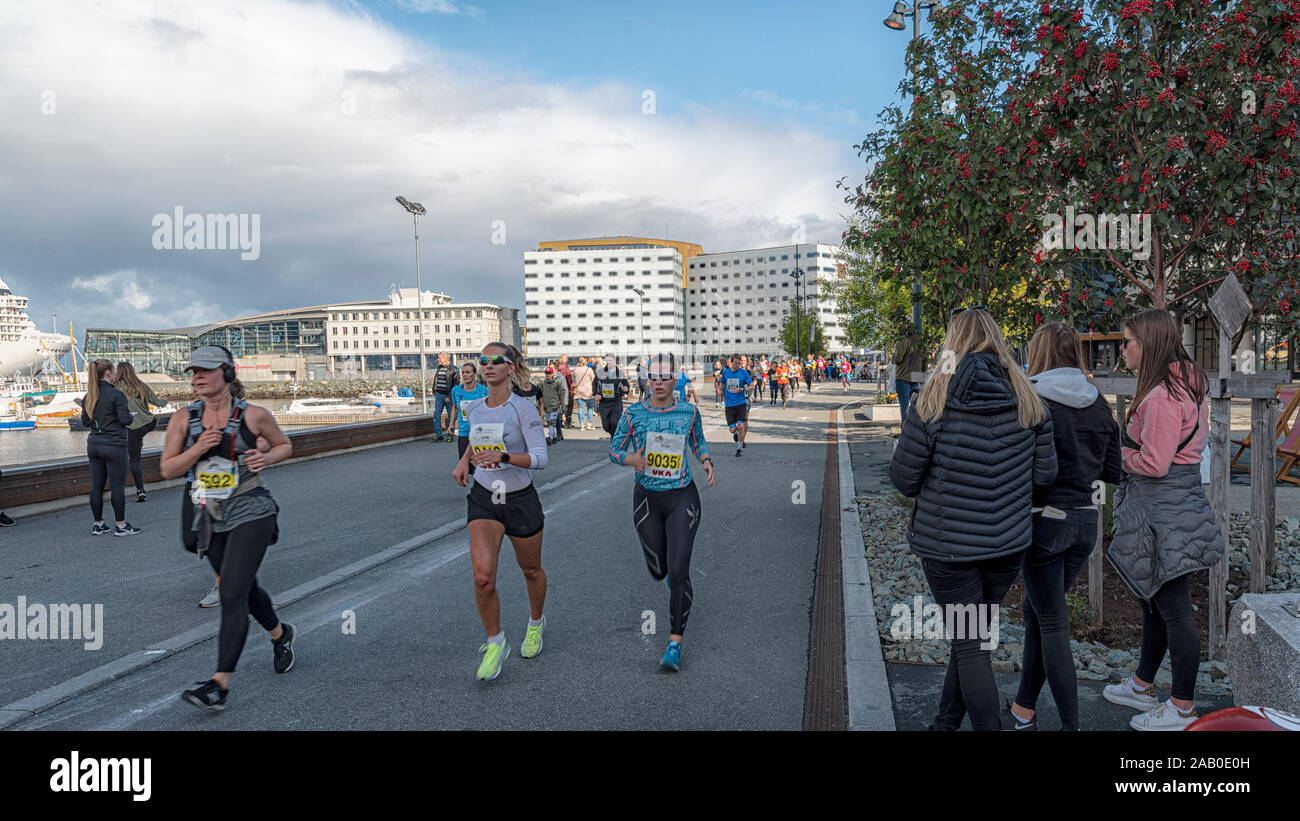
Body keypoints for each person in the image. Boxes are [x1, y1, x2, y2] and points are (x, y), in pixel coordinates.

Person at [888, 307, 1056, 731]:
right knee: (973, 637)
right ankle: (945, 723)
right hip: (1007, 545)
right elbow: (1045, 476)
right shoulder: (1028, 398)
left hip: (950, 547)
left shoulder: (933, 399)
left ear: (952, 343)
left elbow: (904, 481)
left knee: (969, 643)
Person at [1103, 309, 1221, 731]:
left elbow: (1153, 463)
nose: (1123, 348)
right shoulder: (1182, 385)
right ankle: (1141, 684)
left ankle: (1183, 707)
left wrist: (1115, 456)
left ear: (1147, 346)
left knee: (1172, 605)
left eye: (1128, 341)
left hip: (1163, 510)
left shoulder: (1161, 397)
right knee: (1154, 598)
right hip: (1175, 506)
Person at [162, 346, 295, 711]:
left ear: (227, 372)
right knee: (243, 586)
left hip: (252, 506)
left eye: (205, 371)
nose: (197, 378)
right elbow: (168, 469)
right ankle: (281, 634)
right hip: (208, 513)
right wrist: (197, 450)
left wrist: (265, 457)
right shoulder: (182, 420)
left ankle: (219, 684)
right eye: (193, 372)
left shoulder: (254, 415)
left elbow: (285, 445)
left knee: (232, 593)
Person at [1008, 323, 1122, 731]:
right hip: (1085, 524)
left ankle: (1071, 725)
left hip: (1043, 523)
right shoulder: (1099, 403)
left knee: (1051, 621)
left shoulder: (1032, 399)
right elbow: (1113, 471)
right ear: (1077, 354)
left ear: (1038, 353)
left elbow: (1021, 469)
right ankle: (1023, 709)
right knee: (1038, 611)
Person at [609, 352, 715, 670]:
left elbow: (698, 442)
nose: (657, 383)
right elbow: (614, 451)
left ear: (676, 378)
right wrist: (632, 460)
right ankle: (669, 574)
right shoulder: (633, 414)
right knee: (660, 571)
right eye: (652, 377)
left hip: (682, 496)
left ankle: (674, 643)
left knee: (679, 569)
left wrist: (706, 461)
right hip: (647, 499)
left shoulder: (688, 411)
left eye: (664, 377)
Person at [452, 342, 549, 681]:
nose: (489, 366)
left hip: (519, 499)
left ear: (511, 367)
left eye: (497, 361)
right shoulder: (474, 407)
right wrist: (464, 462)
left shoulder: (522, 409)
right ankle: (495, 642)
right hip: (484, 497)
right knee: (482, 576)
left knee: (531, 570)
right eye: (484, 361)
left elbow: (541, 457)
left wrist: (505, 457)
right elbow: (477, 443)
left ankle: (536, 622)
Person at [80, 360, 141, 536]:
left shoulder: (88, 396)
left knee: (97, 486)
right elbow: (124, 420)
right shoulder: (116, 395)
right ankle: (120, 525)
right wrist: (129, 416)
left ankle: (98, 524)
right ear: (107, 373)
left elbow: (85, 422)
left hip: (94, 445)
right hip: (114, 445)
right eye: (113, 371)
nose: (115, 374)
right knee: (116, 485)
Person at [114, 361, 165, 503]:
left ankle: (140, 489)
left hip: (132, 427)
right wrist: (165, 401)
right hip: (149, 423)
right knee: (134, 443)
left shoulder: (115, 388)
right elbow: (158, 403)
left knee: (134, 459)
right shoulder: (142, 386)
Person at [451, 361, 489, 475]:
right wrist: (451, 424)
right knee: (466, 464)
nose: (465, 375)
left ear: (475, 374)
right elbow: (454, 408)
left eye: (468, 372)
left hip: (480, 431)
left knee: (481, 464)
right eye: (463, 372)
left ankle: (481, 487)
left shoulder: (483, 391)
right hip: (464, 431)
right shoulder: (456, 391)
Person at [720, 354, 753, 457]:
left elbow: (752, 385)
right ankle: (736, 433)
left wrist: (744, 389)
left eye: (739, 363)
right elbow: (722, 384)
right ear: (731, 362)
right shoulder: (726, 372)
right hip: (729, 405)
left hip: (740, 404)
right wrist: (719, 390)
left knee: (741, 425)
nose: (738, 365)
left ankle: (739, 448)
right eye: (736, 363)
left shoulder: (743, 373)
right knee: (732, 429)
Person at [592, 354, 630, 437]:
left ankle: (614, 438)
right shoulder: (600, 372)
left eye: (611, 360)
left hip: (616, 402)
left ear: (614, 361)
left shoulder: (619, 373)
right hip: (604, 403)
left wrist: (626, 388)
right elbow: (594, 384)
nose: (609, 362)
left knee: (614, 423)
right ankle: (613, 435)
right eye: (607, 360)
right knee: (606, 426)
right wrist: (596, 394)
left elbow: (625, 384)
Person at [893, 321, 924, 421]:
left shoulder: (904, 341)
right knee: (916, 406)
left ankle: (905, 430)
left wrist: (893, 358)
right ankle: (916, 430)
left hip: (903, 376)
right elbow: (925, 360)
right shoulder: (921, 342)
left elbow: (898, 359)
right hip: (917, 376)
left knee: (905, 405)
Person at [431, 351, 458, 443]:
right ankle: (438, 435)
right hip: (439, 395)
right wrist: (434, 391)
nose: (438, 359)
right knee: (436, 415)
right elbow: (436, 380)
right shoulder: (439, 368)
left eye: (440, 358)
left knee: (451, 416)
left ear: (446, 358)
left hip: (448, 396)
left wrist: (450, 396)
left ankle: (450, 434)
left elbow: (456, 384)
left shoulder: (454, 370)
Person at [541, 366, 565, 445]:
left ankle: (550, 437)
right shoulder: (542, 384)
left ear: (552, 373)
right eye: (546, 373)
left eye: (549, 373)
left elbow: (561, 395)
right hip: (546, 407)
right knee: (549, 423)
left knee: (552, 423)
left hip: (554, 407)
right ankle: (554, 437)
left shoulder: (557, 383)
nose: (547, 375)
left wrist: (563, 409)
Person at [573, 356, 596, 430]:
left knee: (581, 408)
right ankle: (589, 424)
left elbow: (573, 382)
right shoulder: (589, 370)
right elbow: (593, 380)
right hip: (588, 391)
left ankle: (582, 425)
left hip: (579, 391)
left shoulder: (575, 370)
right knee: (590, 408)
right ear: (585, 362)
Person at [558, 354, 576, 429]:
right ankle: (568, 422)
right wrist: (572, 388)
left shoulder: (558, 367)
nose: (567, 359)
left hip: (559, 389)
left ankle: (560, 421)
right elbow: (569, 380)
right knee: (569, 406)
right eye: (566, 358)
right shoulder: (566, 368)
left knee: (561, 405)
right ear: (563, 359)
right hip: (567, 389)